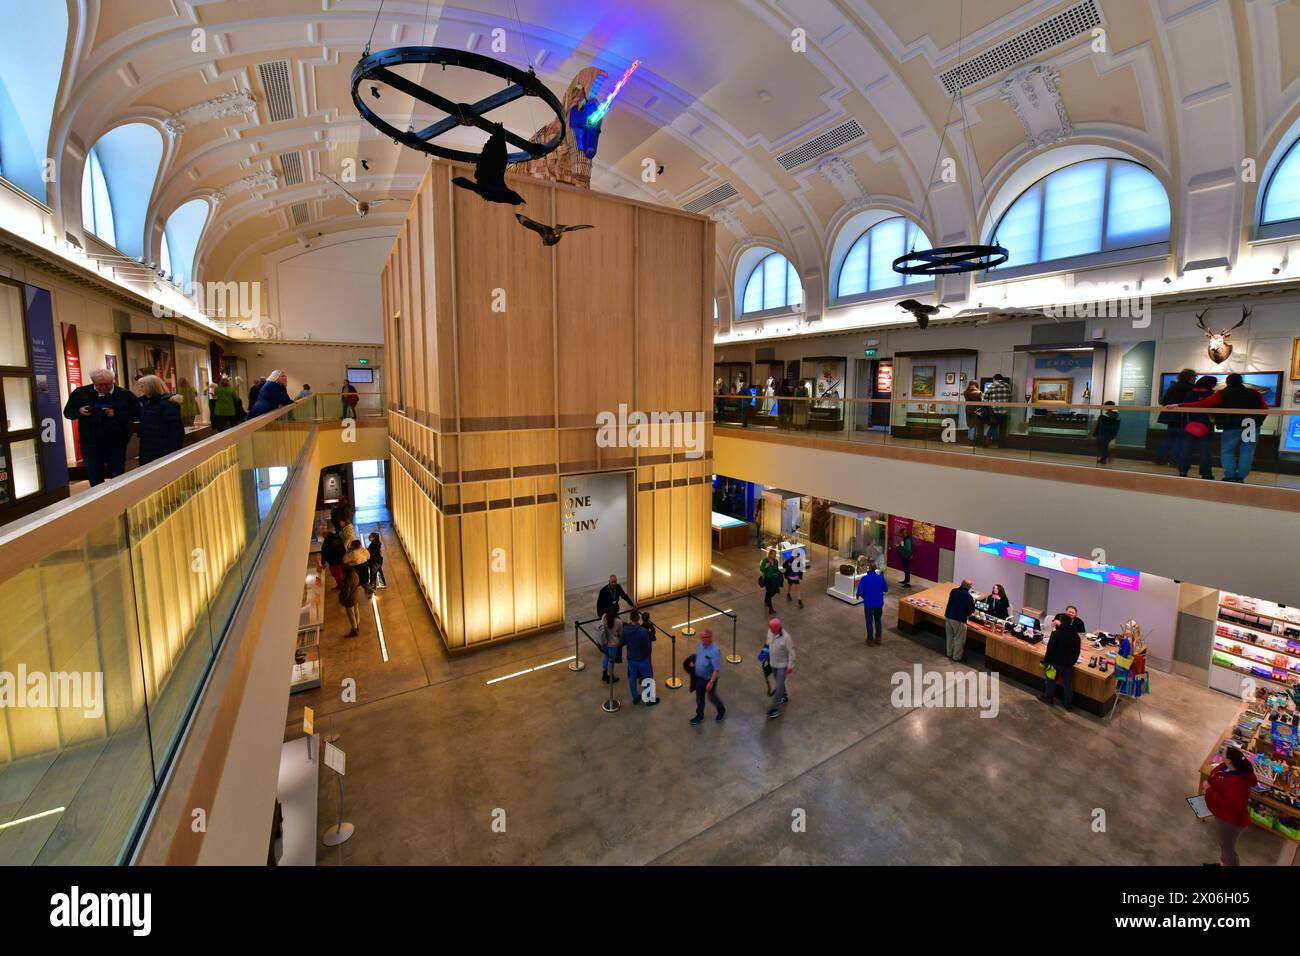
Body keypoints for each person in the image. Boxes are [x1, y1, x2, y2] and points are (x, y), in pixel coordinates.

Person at [1178, 372, 1270, 483]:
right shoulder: (1254, 393)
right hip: (1251, 426)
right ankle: (1241, 477)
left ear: (1227, 382)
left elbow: (1202, 404)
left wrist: (1180, 405)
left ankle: (1230, 475)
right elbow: (1265, 409)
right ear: (1241, 381)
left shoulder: (1223, 393)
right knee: (1247, 451)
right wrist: (1259, 422)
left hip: (1231, 427)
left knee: (1227, 451)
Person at [63, 368, 139, 486]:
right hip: (90, 440)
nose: (104, 388)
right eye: (100, 385)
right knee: (94, 475)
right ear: (93, 382)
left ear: (113, 381)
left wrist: (116, 414)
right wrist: (79, 411)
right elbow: (68, 413)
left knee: (117, 475)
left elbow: (136, 413)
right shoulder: (80, 393)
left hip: (116, 441)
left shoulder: (125, 394)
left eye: (107, 384)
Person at [1204, 746, 1254, 866]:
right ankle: (1224, 863)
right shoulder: (1227, 767)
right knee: (1224, 844)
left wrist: (1209, 790)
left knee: (1228, 849)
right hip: (1223, 815)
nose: (1221, 754)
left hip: (1230, 821)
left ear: (1230, 761)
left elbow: (1231, 805)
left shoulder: (1237, 784)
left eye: (1223, 754)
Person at [134, 374, 184, 466]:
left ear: (151, 387)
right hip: (147, 447)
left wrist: (174, 453)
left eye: (142, 386)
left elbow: (176, 430)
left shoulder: (167, 404)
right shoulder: (146, 403)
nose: (140, 389)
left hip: (162, 448)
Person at [1174, 375, 1217, 479]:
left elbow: (1187, 407)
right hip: (1206, 425)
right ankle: (1206, 473)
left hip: (1191, 425)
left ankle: (1183, 471)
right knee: (1205, 451)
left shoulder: (1190, 393)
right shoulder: (1211, 394)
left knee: (1186, 449)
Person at [1042, 611, 1083, 709]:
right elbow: (1077, 652)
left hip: (1056, 662)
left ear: (1061, 622)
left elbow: (1050, 649)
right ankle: (1067, 704)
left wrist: (1046, 662)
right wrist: (1072, 662)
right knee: (1067, 684)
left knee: (1051, 681)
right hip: (1068, 664)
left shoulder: (1056, 634)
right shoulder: (1076, 636)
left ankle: (1048, 699)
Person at [1155, 368, 1195, 466]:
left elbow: (1164, 401)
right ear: (1190, 377)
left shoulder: (1173, 386)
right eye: (1194, 376)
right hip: (1182, 416)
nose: (1195, 378)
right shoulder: (1190, 388)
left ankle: (1160, 458)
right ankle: (1175, 460)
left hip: (1170, 416)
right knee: (1180, 438)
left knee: (1169, 437)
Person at [689, 628, 725, 725]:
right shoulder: (700, 645)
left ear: (710, 637)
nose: (703, 639)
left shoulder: (714, 651)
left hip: (709, 679)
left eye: (705, 637)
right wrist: (695, 664)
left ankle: (721, 710)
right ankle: (699, 715)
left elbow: (716, 669)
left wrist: (711, 682)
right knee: (699, 698)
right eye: (702, 637)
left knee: (712, 697)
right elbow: (699, 657)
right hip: (699, 678)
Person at [622, 610, 657, 706]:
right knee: (647, 677)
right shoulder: (642, 631)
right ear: (638, 618)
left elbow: (622, 641)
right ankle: (649, 699)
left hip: (631, 658)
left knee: (632, 677)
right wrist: (646, 655)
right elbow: (647, 647)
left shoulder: (626, 629)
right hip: (642, 659)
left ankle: (635, 697)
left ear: (630, 619)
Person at [764, 618, 794, 718]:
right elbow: (768, 642)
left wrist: (790, 666)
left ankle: (775, 709)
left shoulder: (786, 638)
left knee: (779, 686)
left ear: (777, 628)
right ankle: (784, 696)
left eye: (771, 627)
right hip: (773, 663)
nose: (769, 629)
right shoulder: (770, 631)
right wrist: (764, 650)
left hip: (782, 666)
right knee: (778, 682)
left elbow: (791, 653)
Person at [855, 560, 888, 645]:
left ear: (869, 568)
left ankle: (870, 639)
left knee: (869, 621)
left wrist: (860, 595)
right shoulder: (881, 578)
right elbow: (886, 589)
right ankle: (878, 638)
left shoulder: (865, 579)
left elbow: (859, 591)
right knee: (878, 620)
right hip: (878, 604)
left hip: (868, 604)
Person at [944, 579, 976, 663]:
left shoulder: (953, 591)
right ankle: (956, 657)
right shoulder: (968, 597)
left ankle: (949, 653)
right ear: (969, 587)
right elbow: (971, 610)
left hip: (948, 616)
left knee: (949, 636)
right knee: (959, 639)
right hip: (959, 619)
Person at [981, 373, 1013, 447]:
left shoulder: (992, 386)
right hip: (1003, 410)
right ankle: (994, 442)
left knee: (994, 425)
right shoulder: (1007, 386)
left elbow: (984, 399)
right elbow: (1010, 397)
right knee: (995, 425)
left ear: (994, 379)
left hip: (993, 410)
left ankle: (990, 441)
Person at [596, 609, 622, 684]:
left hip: (604, 643)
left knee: (606, 656)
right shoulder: (618, 621)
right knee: (611, 661)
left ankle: (604, 673)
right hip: (613, 644)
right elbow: (621, 633)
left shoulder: (604, 616)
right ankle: (610, 676)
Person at [339, 565, 363, 637]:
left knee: (351, 615)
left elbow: (346, 593)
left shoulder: (347, 581)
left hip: (350, 600)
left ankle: (354, 630)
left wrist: (342, 600)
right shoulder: (356, 575)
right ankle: (357, 624)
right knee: (356, 611)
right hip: (356, 597)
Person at [963, 380, 986, 446]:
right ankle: (973, 440)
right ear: (976, 385)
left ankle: (970, 439)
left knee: (970, 424)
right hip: (977, 409)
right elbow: (982, 401)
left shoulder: (966, 392)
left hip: (968, 408)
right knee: (975, 424)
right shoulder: (979, 392)